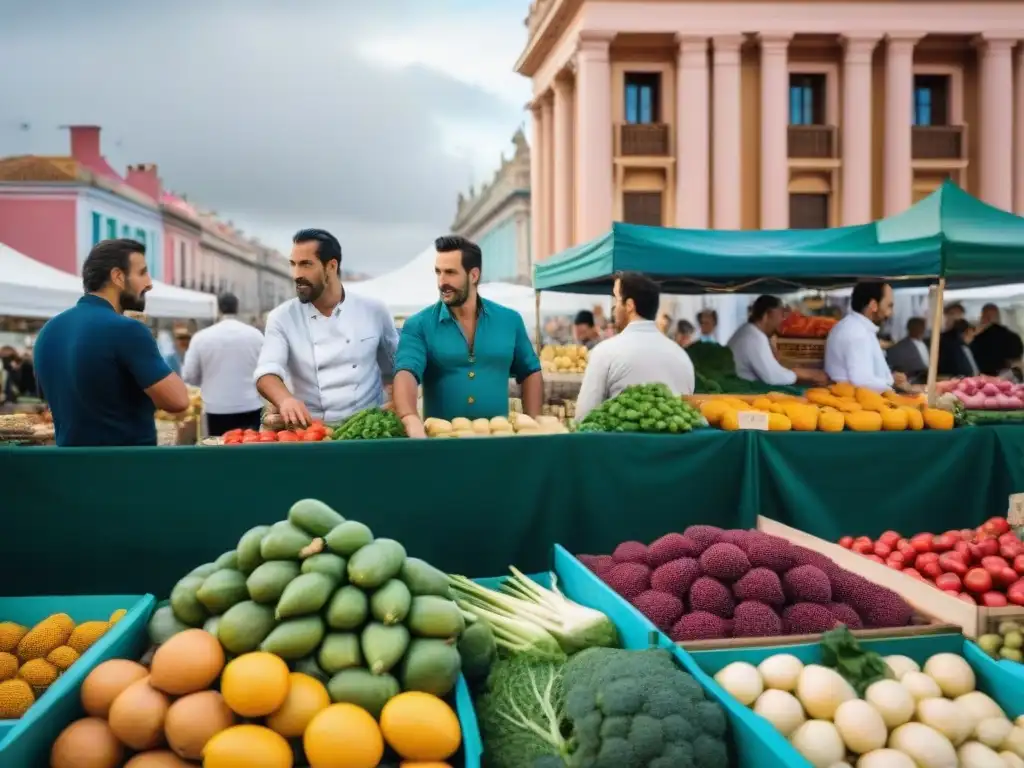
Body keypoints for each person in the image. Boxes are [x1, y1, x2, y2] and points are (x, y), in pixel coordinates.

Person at [33, 238, 190, 446]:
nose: (149, 283)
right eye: (142, 272)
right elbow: (178, 400)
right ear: (118, 276)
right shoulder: (128, 329)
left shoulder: (48, 330)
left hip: (68, 470)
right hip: (123, 469)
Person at [393, 236, 543, 437]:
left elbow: (531, 371)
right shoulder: (418, 325)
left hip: (499, 444)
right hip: (442, 446)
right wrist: (409, 417)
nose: (441, 282)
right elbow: (406, 372)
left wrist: (533, 424)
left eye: (450, 273)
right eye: (438, 272)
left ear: (473, 275)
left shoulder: (510, 320)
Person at [254, 228, 399, 426]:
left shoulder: (374, 310)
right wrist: (285, 400)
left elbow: (397, 366)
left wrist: (398, 398)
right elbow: (267, 371)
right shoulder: (282, 317)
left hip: (365, 432)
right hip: (311, 433)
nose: (296, 274)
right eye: (293, 264)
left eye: (306, 265)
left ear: (331, 266)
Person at [574, 272, 695, 421]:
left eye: (617, 300)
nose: (614, 307)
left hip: (621, 444)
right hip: (676, 445)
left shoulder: (604, 352)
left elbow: (583, 417)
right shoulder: (682, 356)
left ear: (629, 305)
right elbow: (688, 415)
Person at [182, 293, 266, 435]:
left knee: (218, 452)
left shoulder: (201, 337)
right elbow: (266, 371)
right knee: (249, 451)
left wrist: (207, 380)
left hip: (215, 407)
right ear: (237, 308)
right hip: (249, 404)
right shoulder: (256, 335)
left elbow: (189, 375)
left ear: (218, 309)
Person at [824, 281, 906, 393]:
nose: (890, 313)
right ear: (873, 305)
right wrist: (890, 386)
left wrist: (890, 377)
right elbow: (862, 381)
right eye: (889, 306)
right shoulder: (857, 332)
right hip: (855, 404)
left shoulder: (854, 326)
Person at [727, 295, 828, 386]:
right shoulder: (753, 338)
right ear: (767, 315)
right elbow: (773, 377)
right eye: (780, 315)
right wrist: (805, 374)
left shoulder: (751, 332)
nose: (781, 321)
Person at [971, 303, 1024, 376]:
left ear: (982, 317)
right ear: (998, 316)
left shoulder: (975, 339)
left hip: (980, 379)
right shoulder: (1012, 337)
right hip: (1005, 378)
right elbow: (1017, 362)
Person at [886, 317, 930, 383]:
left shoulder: (926, 343)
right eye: (917, 326)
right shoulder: (899, 347)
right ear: (910, 328)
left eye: (921, 327)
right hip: (911, 381)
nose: (920, 329)